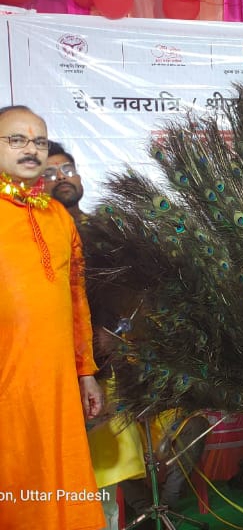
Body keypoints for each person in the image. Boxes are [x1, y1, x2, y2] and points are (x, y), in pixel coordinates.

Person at [0, 105, 105, 529]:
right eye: (18, 140)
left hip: (57, 381)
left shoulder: (59, 217)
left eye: (39, 141)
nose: (32, 149)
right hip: (9, 378)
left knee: (59, 470)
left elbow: (76, 299)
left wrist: (86, 373)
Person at [42, 142, 146, 530]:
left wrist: (118, 337)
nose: (62, 178)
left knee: (104, 480)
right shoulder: (33, 236)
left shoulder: (104, 232)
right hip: (48, 372)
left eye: (67, 168)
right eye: (50, 173)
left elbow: (127, 295)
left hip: (102, 371)